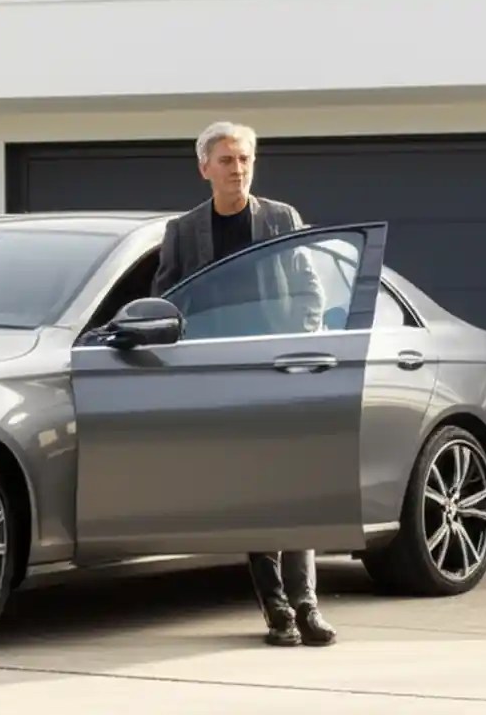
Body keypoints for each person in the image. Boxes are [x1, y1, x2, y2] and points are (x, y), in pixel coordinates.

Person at [150, 121, 336, 648]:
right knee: (256, 493)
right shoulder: (183, 232)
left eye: (245, 160)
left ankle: (307, 606)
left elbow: (310, 292)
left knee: (297, 492)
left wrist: (296, 352)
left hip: (282, 372)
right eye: (227, 160)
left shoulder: (281, 219)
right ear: (204, 167)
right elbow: (169, 302)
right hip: (223, 378)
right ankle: (276, 608)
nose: (237, 169)